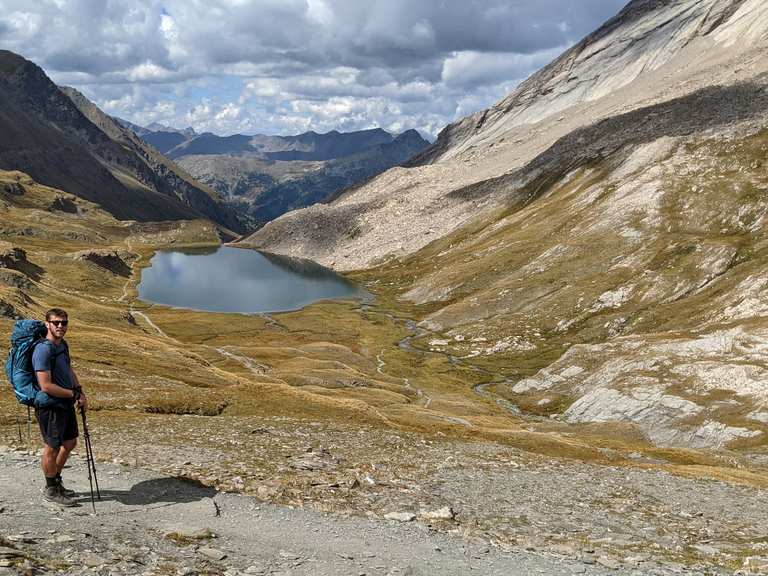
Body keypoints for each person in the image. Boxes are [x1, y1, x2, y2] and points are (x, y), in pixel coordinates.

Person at [32, 308, 87, 507]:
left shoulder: (62, 345)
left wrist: (79, 390)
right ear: (47, 324)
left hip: (65, 402)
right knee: (52, 447)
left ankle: (55, 480)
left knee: (70, 442)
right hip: (50, 406)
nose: (61, 326)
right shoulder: (43, 349)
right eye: (56, 322)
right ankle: (50, 489)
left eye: (64, 323)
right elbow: (46, 385)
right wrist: (73, 394)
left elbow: (69, 369)